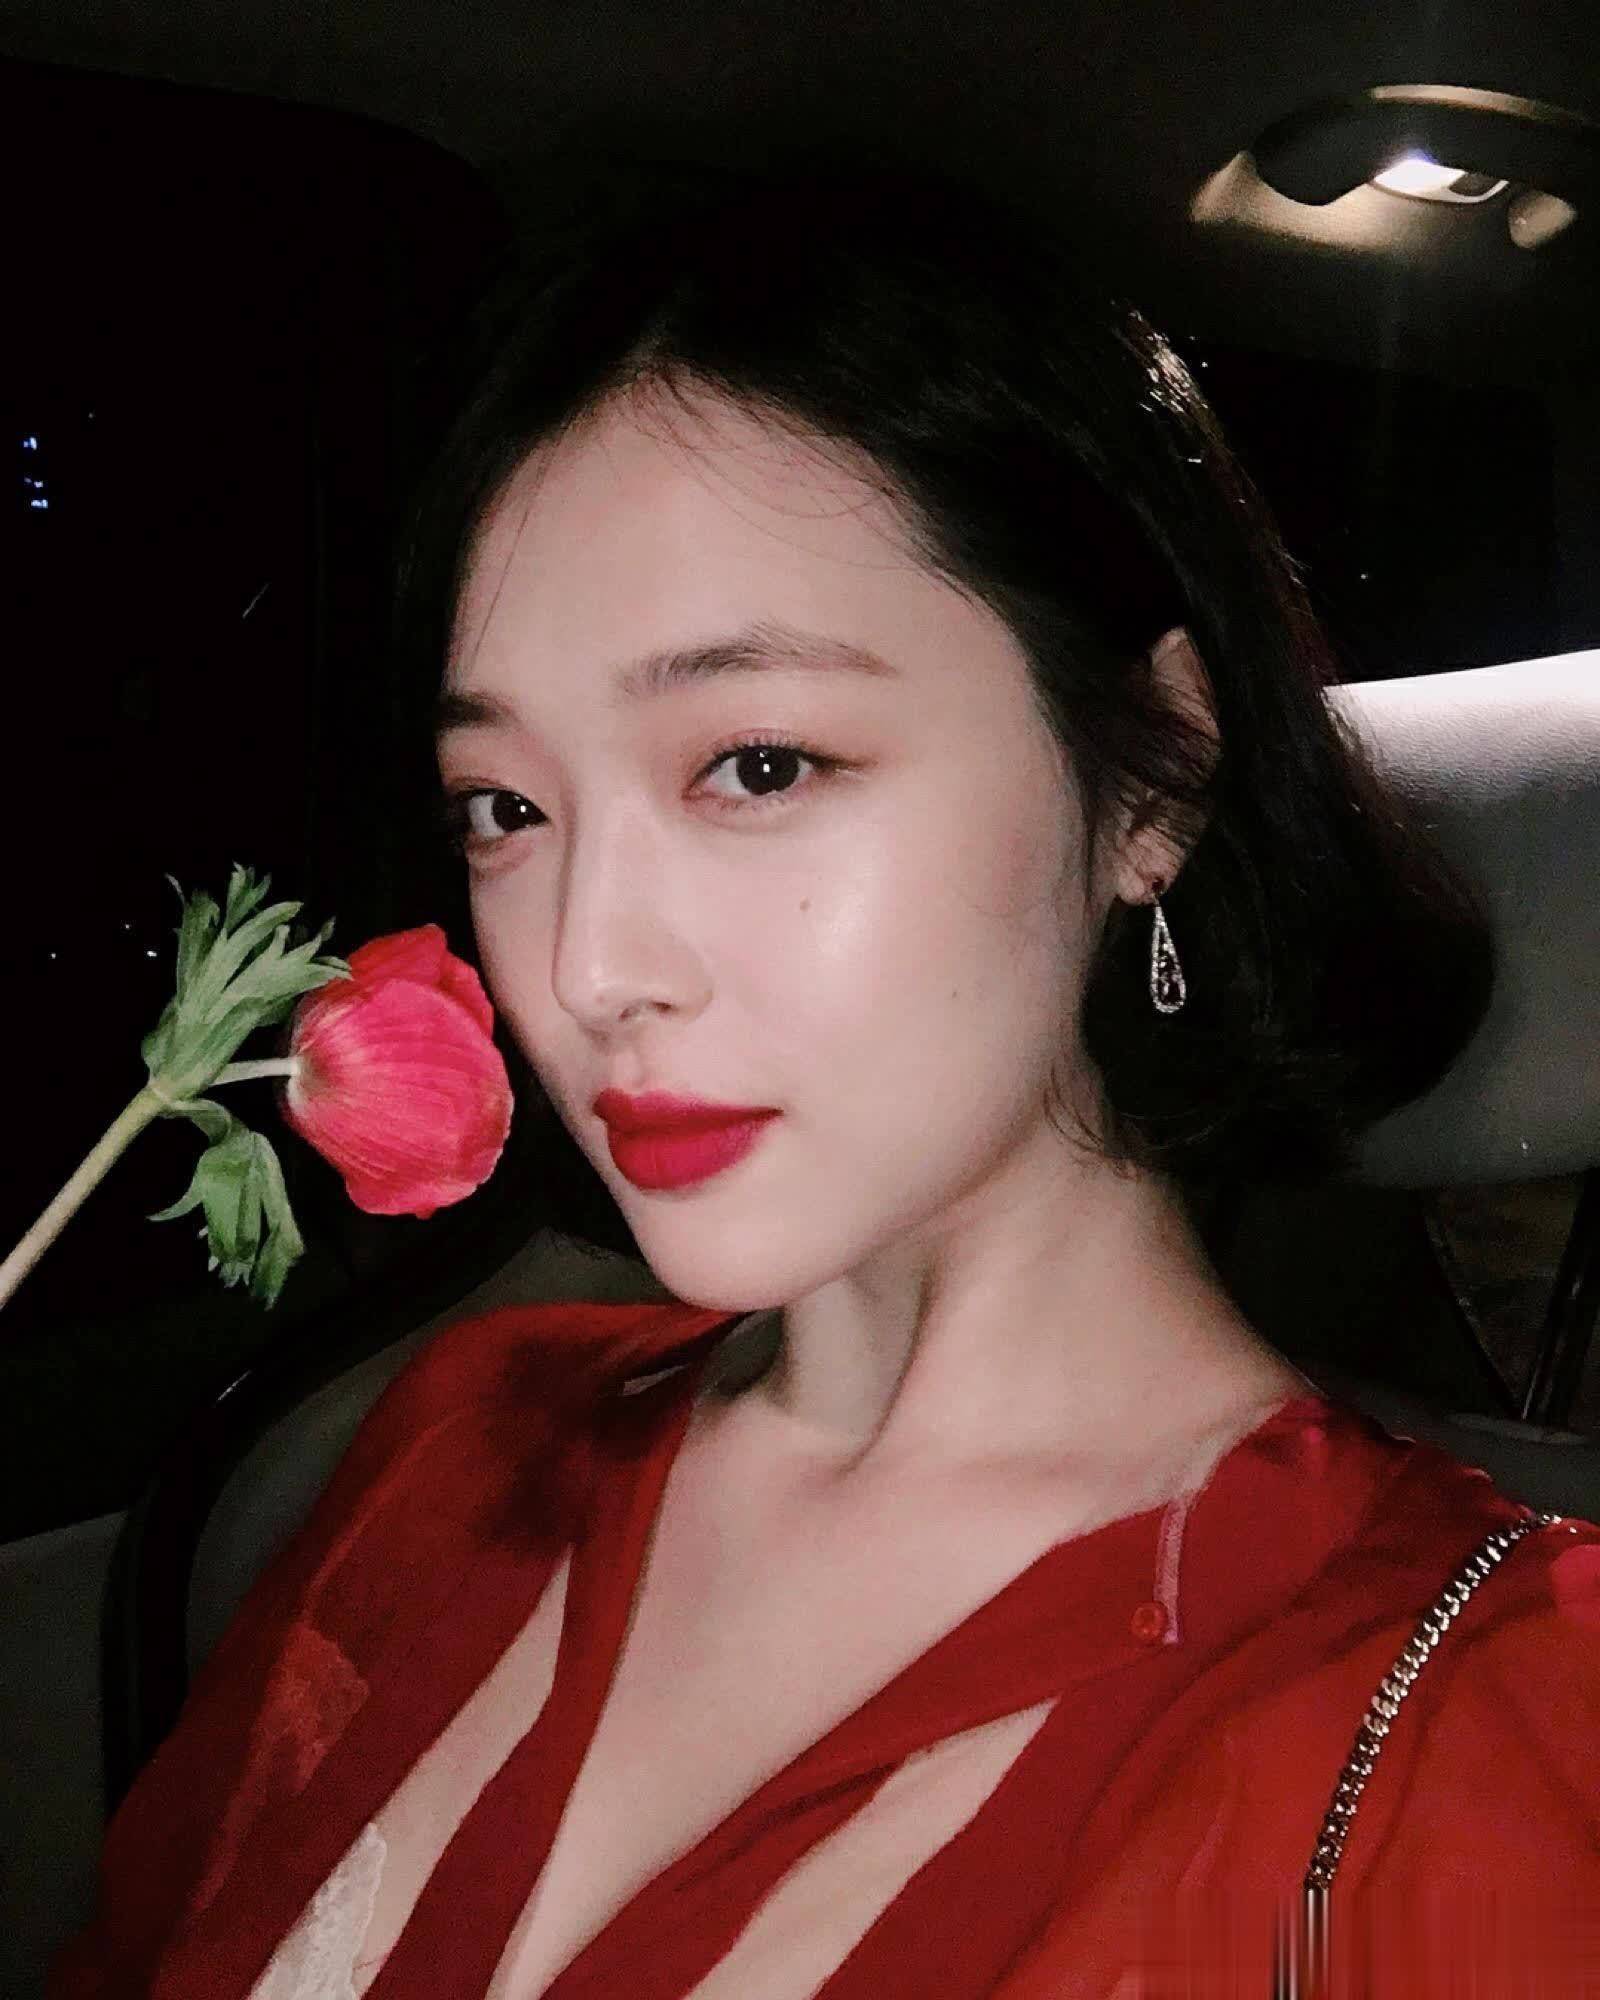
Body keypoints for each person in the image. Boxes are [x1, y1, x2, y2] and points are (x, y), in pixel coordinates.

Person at [53, 154, 1600, 2000]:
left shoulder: (1488, 1723)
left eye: (759, 765)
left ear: (1157, 772)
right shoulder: (455, 1456)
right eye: (506, 806)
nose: (585, 967)